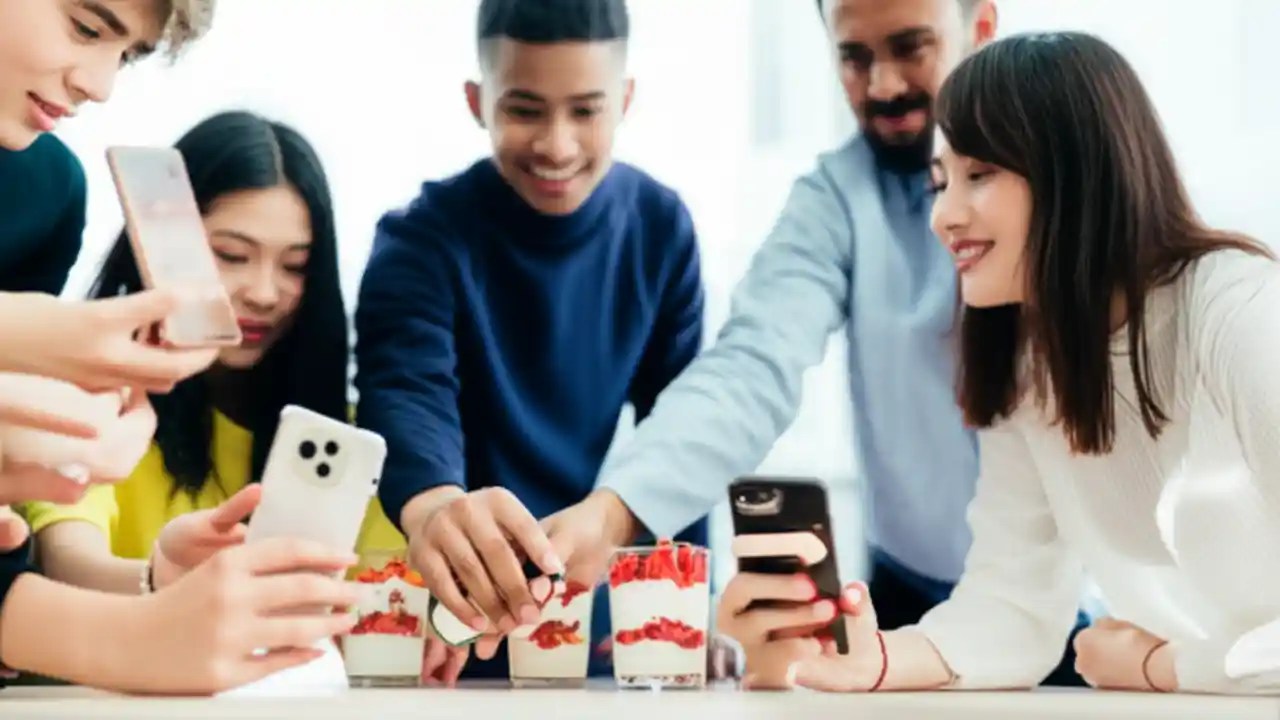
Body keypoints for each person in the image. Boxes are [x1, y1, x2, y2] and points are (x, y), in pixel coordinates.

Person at [538, 0, 1082, 685]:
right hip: (908, 597)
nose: (882, 85)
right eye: (854, 57)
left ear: (979, 30)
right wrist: (613, 514)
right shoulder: (834, 199)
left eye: (910, 47)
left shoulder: (1070, 174)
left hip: (1068, 605)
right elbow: (752, 367)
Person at [723, 30, 1280, 696]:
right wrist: (874, 659)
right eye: (940, 182)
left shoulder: (1240, 312)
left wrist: (1162, 668)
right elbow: (1012, 606)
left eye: (979, 175)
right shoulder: (1031, 366)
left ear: (1075, 170)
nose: (942, 217)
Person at [0, 1, 361, 695]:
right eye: (86, 28)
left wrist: (157, 585)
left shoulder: (45, 192)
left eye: (128, 55)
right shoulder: (94, 391)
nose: (101, 86)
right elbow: (62, 559)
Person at [355, 0, 706, 681]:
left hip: (602, 628)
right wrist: (435, 510)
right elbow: (405, 391)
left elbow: (681, 432)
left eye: (585, 111)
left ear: (624, 100)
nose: (557, 145)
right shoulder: (419, 239)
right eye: (524, 110)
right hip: (451, 622)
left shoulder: (661, 230)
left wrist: (694, 614)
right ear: (476, 102)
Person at [18, 110, 406, 595]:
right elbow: (68, 561)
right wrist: (167, 582)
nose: (264, 293)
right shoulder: (94, 405)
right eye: (231, 255)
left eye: (295, 265)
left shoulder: (349, 441)